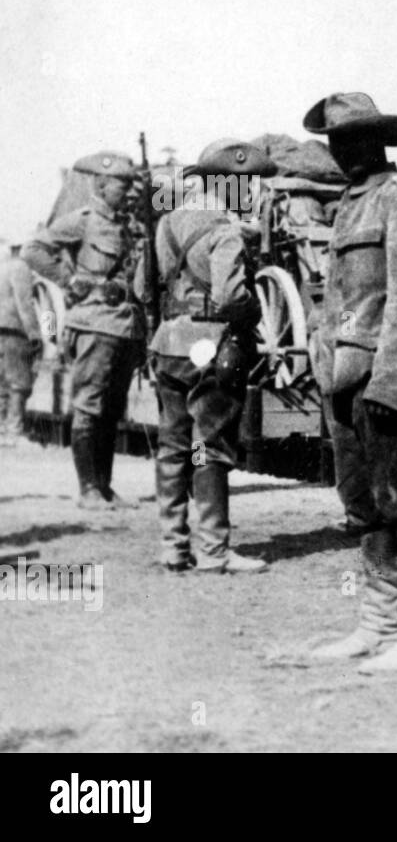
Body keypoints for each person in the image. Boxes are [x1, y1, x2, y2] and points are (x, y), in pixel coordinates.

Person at [304, 92, 397, 676]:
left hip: (387, 384)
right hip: (342, 382)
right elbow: (336, 304)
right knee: (363, 506)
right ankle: (377, 624)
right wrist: (325, 376)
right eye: (337, 141)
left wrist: (388, 386)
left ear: (379, 140)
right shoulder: (348, 205)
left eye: (355, 139)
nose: (344, 151)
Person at [141, 139, 270, 573]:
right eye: (246, 183)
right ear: (228, 185)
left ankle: (173, 546)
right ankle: (214, 551)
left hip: (169, 343)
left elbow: (145, 287)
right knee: (209, 448)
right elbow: (232, 297)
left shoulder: (166, 224)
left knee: (173, 446)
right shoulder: (224, 229)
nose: (251, 192)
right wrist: (253, 314)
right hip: (212, 347)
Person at [23, 151, 146, 509]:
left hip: (123, 325)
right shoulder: (82, 220)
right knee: (89, 406)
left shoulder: (127, 226)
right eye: (122, 185)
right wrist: (69, 280)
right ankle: (88, 489)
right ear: (101, 184)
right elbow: (34, 250)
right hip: (93, 323)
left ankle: (105, 487)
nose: (128, 192)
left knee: (111, 409)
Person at [0, 239, 42, 446]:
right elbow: (25, 303)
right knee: (19, 383)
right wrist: (36, 335)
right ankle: (14, 432)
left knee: (2, 383)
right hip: (14, 330)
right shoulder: (20, 268)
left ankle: (2, 429)